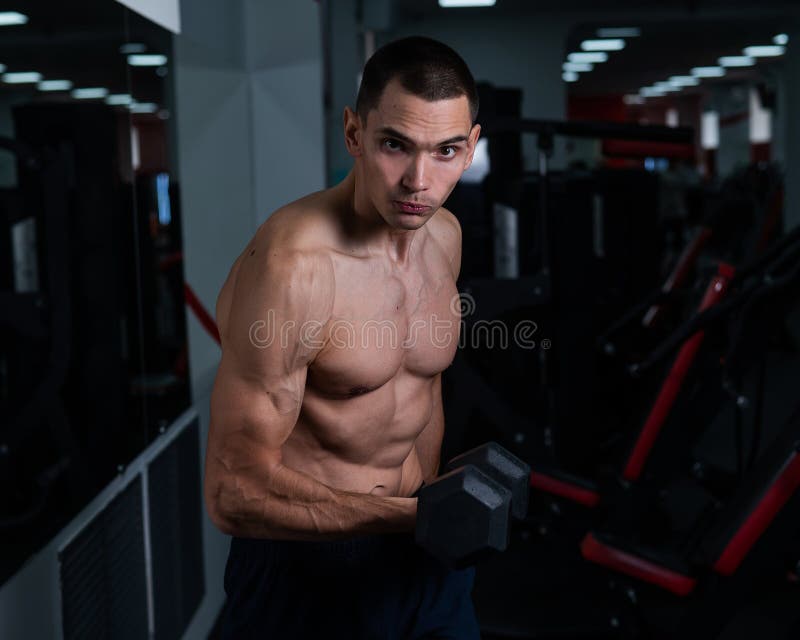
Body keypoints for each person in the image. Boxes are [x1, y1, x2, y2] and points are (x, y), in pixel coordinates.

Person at [205, 36, 482, 639]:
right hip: (309, 565)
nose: (419, 181)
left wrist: (429, 505)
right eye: (395, 145)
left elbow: (426, 385)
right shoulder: (293, 267)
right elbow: (232, 488)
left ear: (471, 148)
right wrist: (407, 517)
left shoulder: (445, 236)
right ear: (355, 133)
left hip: (420, 548)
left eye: (445, 151)